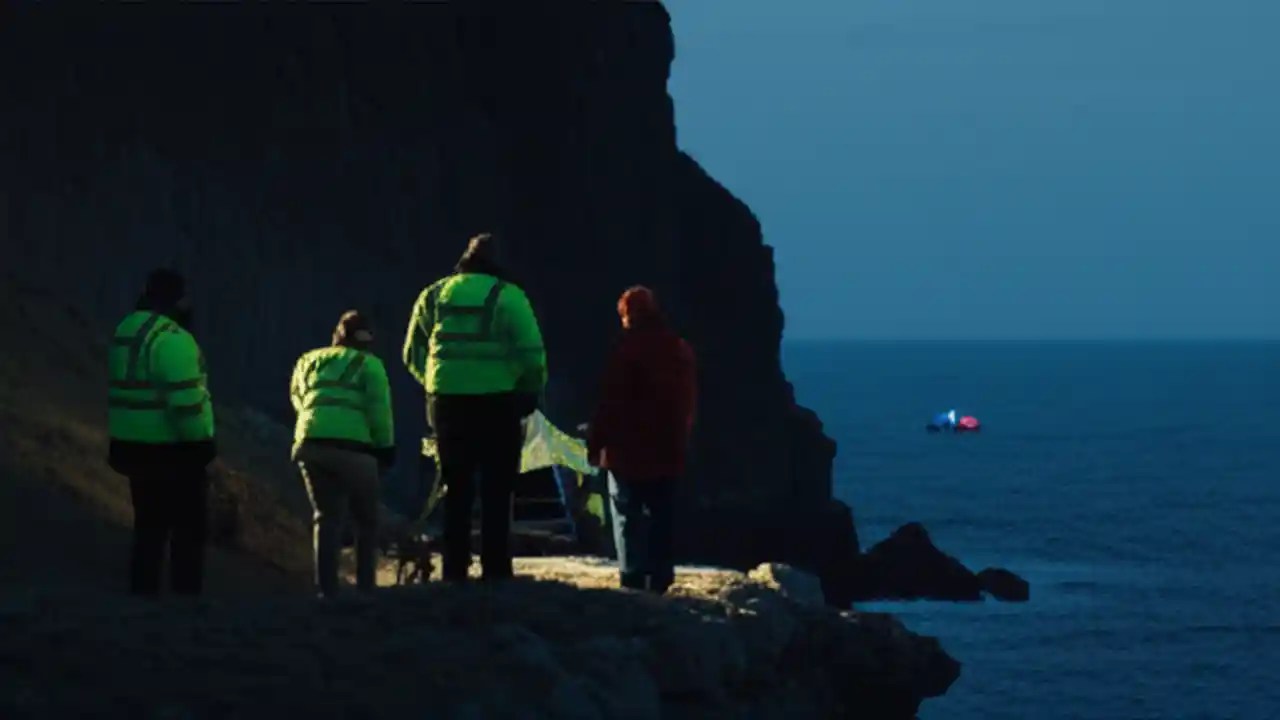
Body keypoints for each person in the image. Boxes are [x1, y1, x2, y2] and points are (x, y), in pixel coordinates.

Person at [402, 232, 548, 582]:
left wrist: (436, 382)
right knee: (498, 488)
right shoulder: (509, 297)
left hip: (448, 405)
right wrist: (529, 392)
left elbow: (411, 352)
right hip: (499, 403)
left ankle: (455, 567)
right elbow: (532, 354)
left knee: (456, 486)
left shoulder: (433, 295)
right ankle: (496, 568)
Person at [107, 269, 216, 596]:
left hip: (130, 447)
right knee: (188, 531)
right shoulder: (173, 339)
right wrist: (202, 445)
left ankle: (143, 602)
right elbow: (186, 406)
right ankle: (185, 605)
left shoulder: (126, 330)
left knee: (148, 530)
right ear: (177, 299)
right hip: (172, 451)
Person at [587, 286, 696, 594]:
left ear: (626, 315)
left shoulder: (625, 350)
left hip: (626, 452)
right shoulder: (679, 349)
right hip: (668, 448)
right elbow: (687, 402)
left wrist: (596, 444)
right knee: (663, 515)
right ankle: (662, 577)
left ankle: (631, 576)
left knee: (626, 514)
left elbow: (611, 403)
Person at [290, 310, 395, 597]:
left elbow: (299, 399)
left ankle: (326, 589)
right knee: (366, 519)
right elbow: (379, 412)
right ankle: (365, 587)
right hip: (355, 451)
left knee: (326, 518)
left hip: (311, 446)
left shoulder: (308, 360)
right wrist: (385, 448)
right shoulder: (370, 366)